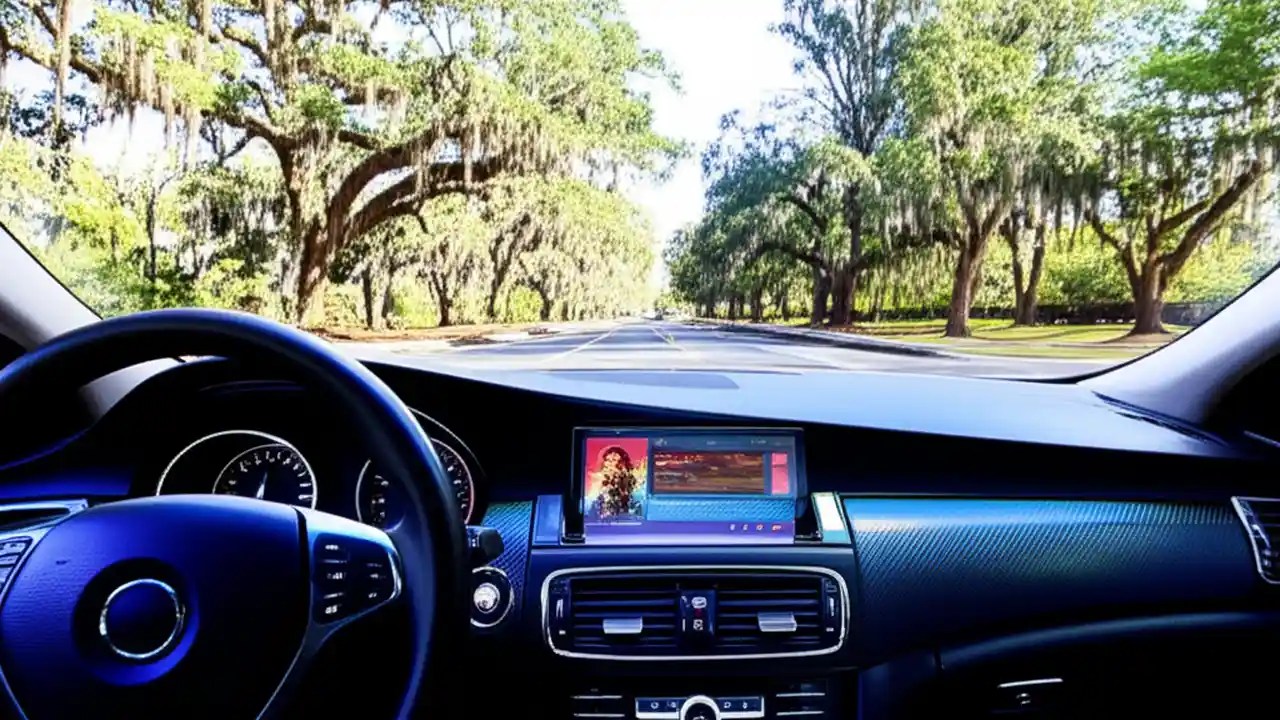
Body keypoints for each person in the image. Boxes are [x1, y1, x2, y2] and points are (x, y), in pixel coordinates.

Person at [592, 446, 640, 519]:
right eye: (607, 460)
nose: (609, 463)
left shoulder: (632, 481)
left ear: (622, 464)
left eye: (614, 460)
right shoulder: (600, 482)